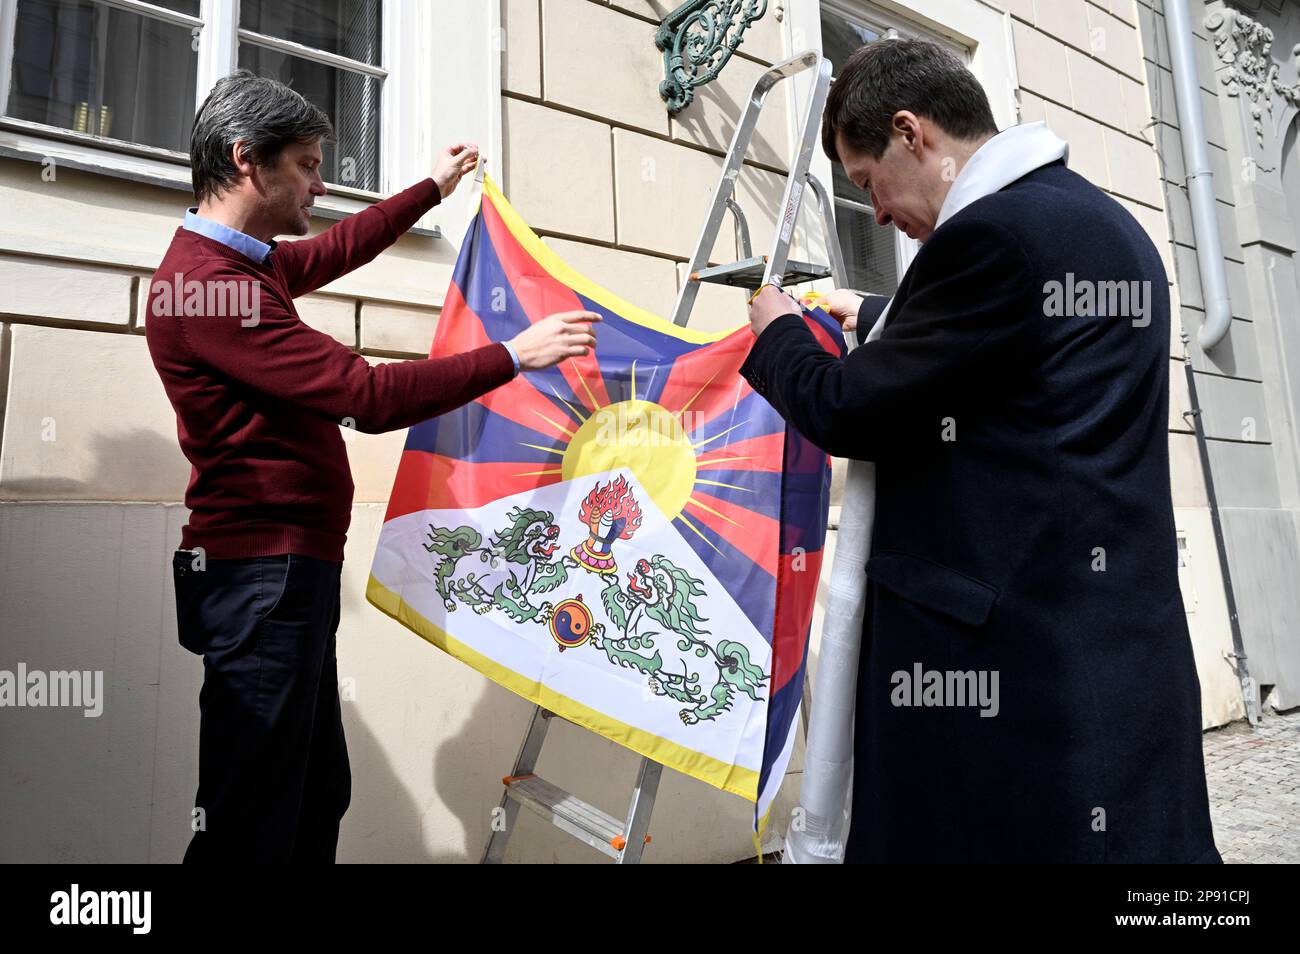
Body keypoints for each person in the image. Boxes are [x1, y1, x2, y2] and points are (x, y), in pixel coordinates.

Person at [743, 39, 1219, 863]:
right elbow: (1011, 359)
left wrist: (781, 332)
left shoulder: (990, 239)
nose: (880, 213)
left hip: (1016, 674)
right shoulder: (1099, 223)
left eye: (867, 183)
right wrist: (876, 312)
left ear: (911, 132)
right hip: (1113, 646)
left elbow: (850, 409)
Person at [147, 69, 599, 862]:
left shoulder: (242, 268)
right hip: (262, 574)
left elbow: (335, 248)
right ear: (249, 160)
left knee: (314, 793)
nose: (321, 186)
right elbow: (366, 395)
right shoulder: (208, 290)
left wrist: (432, 187)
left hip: (286, 570)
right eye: (310, 166)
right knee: (253, 814)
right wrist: (512, 355)